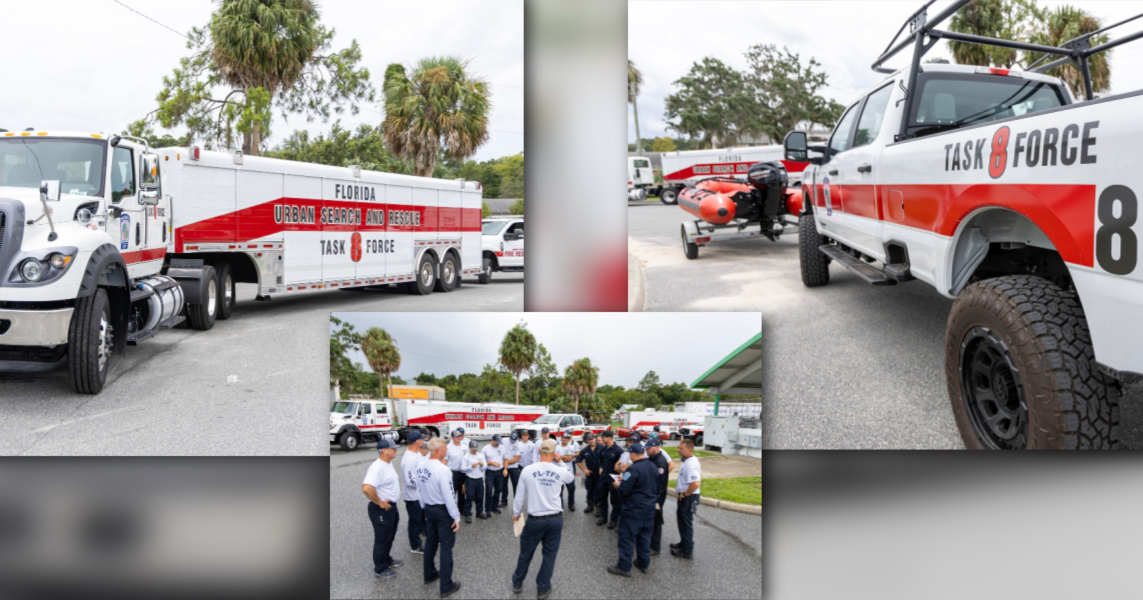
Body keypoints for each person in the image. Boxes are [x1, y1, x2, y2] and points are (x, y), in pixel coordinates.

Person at [511, 439, 575, 599]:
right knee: (549, 554)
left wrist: (516, 513)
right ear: (554, 453)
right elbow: (571, 478)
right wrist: (560, 462)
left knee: (526, 553)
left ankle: (517, 582)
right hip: (555, 519)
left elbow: (519, 496)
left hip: (535, 519)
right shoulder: (560, 470)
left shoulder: (527, 470)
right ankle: (543, 587)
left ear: (539, 451)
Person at [416, 438, 463, 598]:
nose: (447, 450)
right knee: (446, 547)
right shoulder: (443, 470)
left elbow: (420, 491)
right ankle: (446, 586)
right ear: (437, 451)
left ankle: (429, 574)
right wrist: (456, 517)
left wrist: (425, 511)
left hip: (429, 508)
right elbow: (449, 496)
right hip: (443, 512)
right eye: (444, 447)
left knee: (430, 543)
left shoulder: (421, 466)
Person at [606, 442, 657, 577]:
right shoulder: (652, 465)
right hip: (649, 509)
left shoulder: (632, 469)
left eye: (629, 453)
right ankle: (643, 563)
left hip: (633, 510)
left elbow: (624, 490)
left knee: (627, 538)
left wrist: (618, 484)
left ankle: (624, 567)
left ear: (633, 454)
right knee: (644, 538)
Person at [362, 438, 403, 578]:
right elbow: (367, 488)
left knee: (389, 536)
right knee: (382, 539)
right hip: (381, 509)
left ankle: (386, 559)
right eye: (393, 448)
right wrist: (379, 502)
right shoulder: (377, 467)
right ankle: (380, 569)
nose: (396, 449)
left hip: (391, 507)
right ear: (384, 450)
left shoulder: (388, 463)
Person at [671, 439, 702, 560]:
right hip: (685, 496)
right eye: (678, 448)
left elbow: (695, 483)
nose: (678, 450)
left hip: (689, 498)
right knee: (682, 523)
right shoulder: (687, 461)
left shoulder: (691, 464)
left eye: (681, 449)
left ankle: (687, 551)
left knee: (686, 524)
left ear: (689, 450)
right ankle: (683, 543)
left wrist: (684, 494)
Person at [644, 437, 674, 556]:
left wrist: (655, 499)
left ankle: (655, 547)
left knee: (656, 521)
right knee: (650, 520)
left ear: (656, 447)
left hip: (656, 497)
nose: (646, 450)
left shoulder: (660, 462)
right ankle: (649, 542)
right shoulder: (652, 458)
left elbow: (660, 484)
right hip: (651, 495)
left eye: (648, 448)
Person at [401, 431, 428, 555]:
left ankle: (421, 537)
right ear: (417, 441)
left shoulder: (416, 453)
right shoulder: (409, 459)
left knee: (420, 519)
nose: (423, 441)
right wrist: (426, 482)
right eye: (422, 439)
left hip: (419, 495)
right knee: (414, 521)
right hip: (413, 497)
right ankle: (415, 546)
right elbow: (410, 481)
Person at [596, 431, 624, 529]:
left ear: (609, 438)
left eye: (603, 438)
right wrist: (600, 467)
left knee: (615, 501)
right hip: (603, 479)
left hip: (613, 480)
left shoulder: (618, 450)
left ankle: (613, 520)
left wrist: (619, 479)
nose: (602, 440)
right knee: (602, 500)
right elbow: (599, 459)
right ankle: (603, 517)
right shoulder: (603, 449)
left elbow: (621, 466)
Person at [445, 429, 470, 519]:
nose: (459, 438)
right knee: (452, 493)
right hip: (453, 474)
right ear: (452, 438)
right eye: (457, 436)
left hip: (463, 473)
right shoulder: (448, 448)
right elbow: (444, 462)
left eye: (460, 436)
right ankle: (451, 510)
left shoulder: (465, 447)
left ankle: (461, 509)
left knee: (462, 492)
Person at [461, 440, 488, 522]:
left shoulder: (481, 456)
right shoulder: (466, 457)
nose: (474, 451)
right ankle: (467, 514)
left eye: (476, 449)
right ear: (469, 448)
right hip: (470, 480)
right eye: (473, 449)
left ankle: (479, 512)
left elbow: (485, 468)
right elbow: (462, 469)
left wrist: (482, 465)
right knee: (469, 497)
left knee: (480, 497)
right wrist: (471, 466)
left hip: (479, 479)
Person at [574, 433, 600, 515]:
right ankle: (590, 506)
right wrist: (584, 470)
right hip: (590, 475)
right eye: (589, 440)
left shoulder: (602, 448)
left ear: (595, 438)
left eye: (592, 439)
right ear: (587, 440)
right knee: (589, 491)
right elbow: (578, 461)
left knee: (598, 492)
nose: (591, 441)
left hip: (600, 476)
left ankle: (598, 508)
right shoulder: (585, 450)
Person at [482, 434, 506, 514]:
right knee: (489, 490)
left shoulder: (502, 447)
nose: (498, 444)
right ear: (492, 440)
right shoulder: (485, 449)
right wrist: (492, 463)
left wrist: (505, 469)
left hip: (499, 472)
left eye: (499, 442)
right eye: (496, 442)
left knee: (498, 490)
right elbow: (482, 461)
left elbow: (505, 459)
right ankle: (488, 509)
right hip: (490, 472)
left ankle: (494, 507)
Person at [556, 431, 579, 511]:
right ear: (561, 438)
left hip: (569, 472)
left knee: (571, 490)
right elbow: (555, 459)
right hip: (559, 472)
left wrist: (560, 457)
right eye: (564, 438)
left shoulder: (571, 447)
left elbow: (569, 458)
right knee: (559, 491)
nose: (566, 439)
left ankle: (571, 504)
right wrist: (565, 457)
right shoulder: (557, 447)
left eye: (567, 438)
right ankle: (560, 504)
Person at [502, 432, 521, 505]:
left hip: (514, 467)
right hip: (505, 468)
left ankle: (516, 502)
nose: (512, 441)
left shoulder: (519, 445)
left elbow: (516, 459)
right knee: (504, 484)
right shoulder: (504, 440)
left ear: (517, 438)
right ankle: (504, 501)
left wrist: (505, 462)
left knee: (516, 485)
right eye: (511, 439)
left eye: (514, 440)